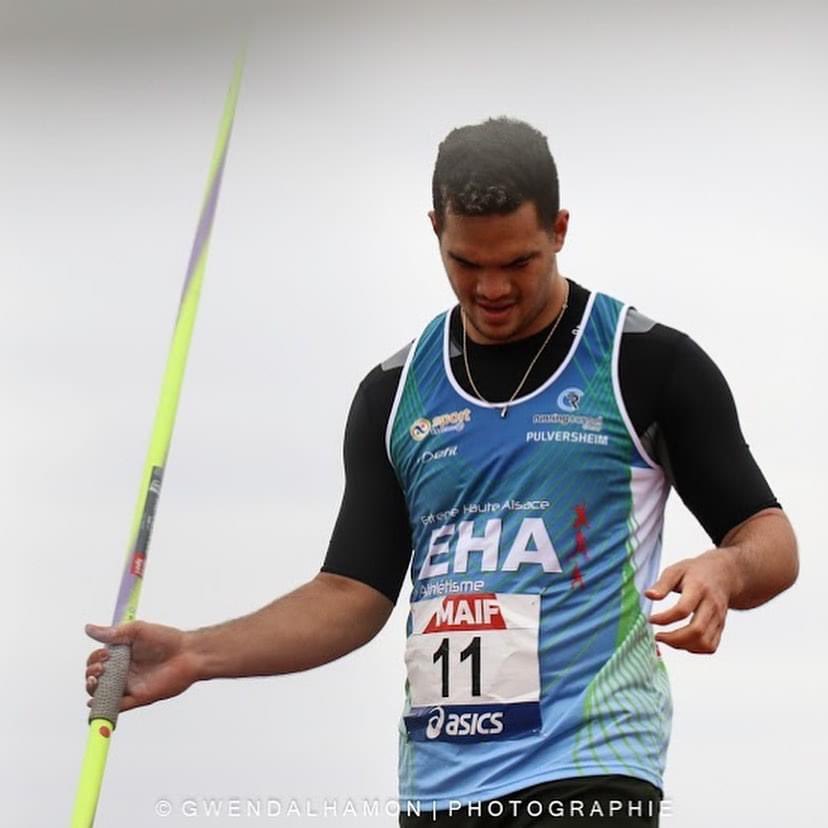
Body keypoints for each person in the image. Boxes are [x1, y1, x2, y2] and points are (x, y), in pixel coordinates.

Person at [85, 117, 799, 826]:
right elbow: (350, 593)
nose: (491, 288)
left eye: (517, 262)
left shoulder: (645, 363)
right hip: (439, 791)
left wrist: (726, 571)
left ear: (559, 229)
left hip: (588, 772)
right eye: (466, 262)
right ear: (435, 230)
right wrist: (195, 653)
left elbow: (770, 537)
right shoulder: (395, 392)